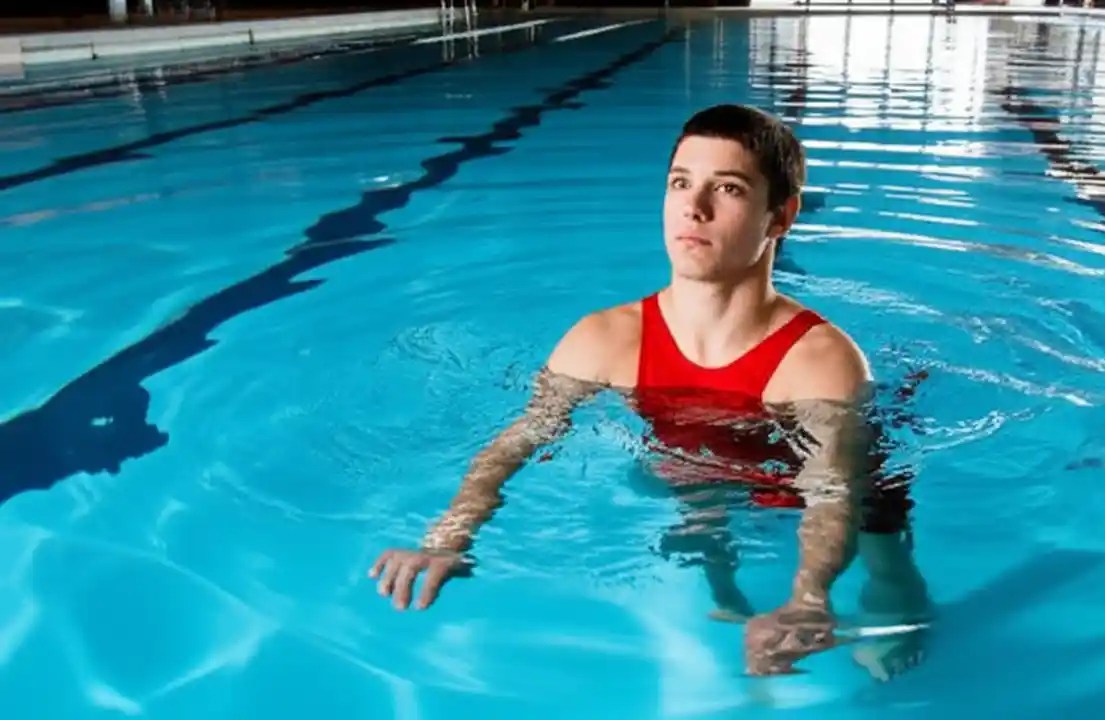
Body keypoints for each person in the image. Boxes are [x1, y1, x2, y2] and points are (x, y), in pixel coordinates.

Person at [369, 104, 932, 680]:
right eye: (680, 183)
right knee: (672, 478)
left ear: (780, 217)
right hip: (703, 458)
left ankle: (895, 580)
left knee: (876, 528)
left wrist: (808, 597)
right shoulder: (604, 340)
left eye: (729, 188)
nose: (695, 207)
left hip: (822, 475)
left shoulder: (820, 361)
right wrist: (446, 538)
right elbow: (516, 443)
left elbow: (831, 493)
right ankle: (722, 578)